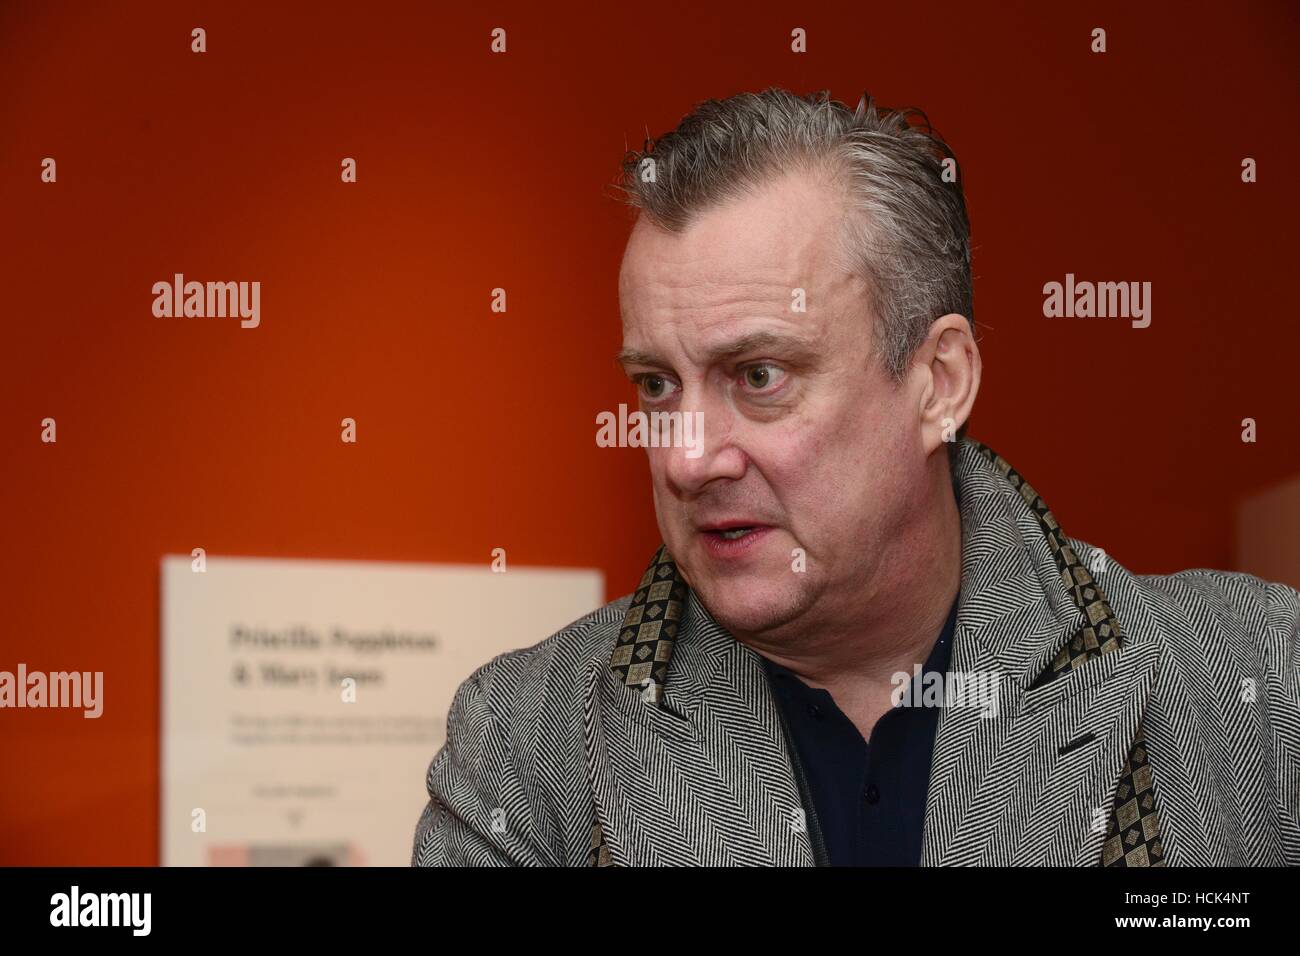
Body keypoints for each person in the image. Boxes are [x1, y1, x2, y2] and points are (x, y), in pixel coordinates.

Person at [412, 88, 1300, 866]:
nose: (686, 458)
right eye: (656, 384)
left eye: (759, 377)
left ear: (938, 383)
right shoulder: (523, 746)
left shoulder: (1258, 688)